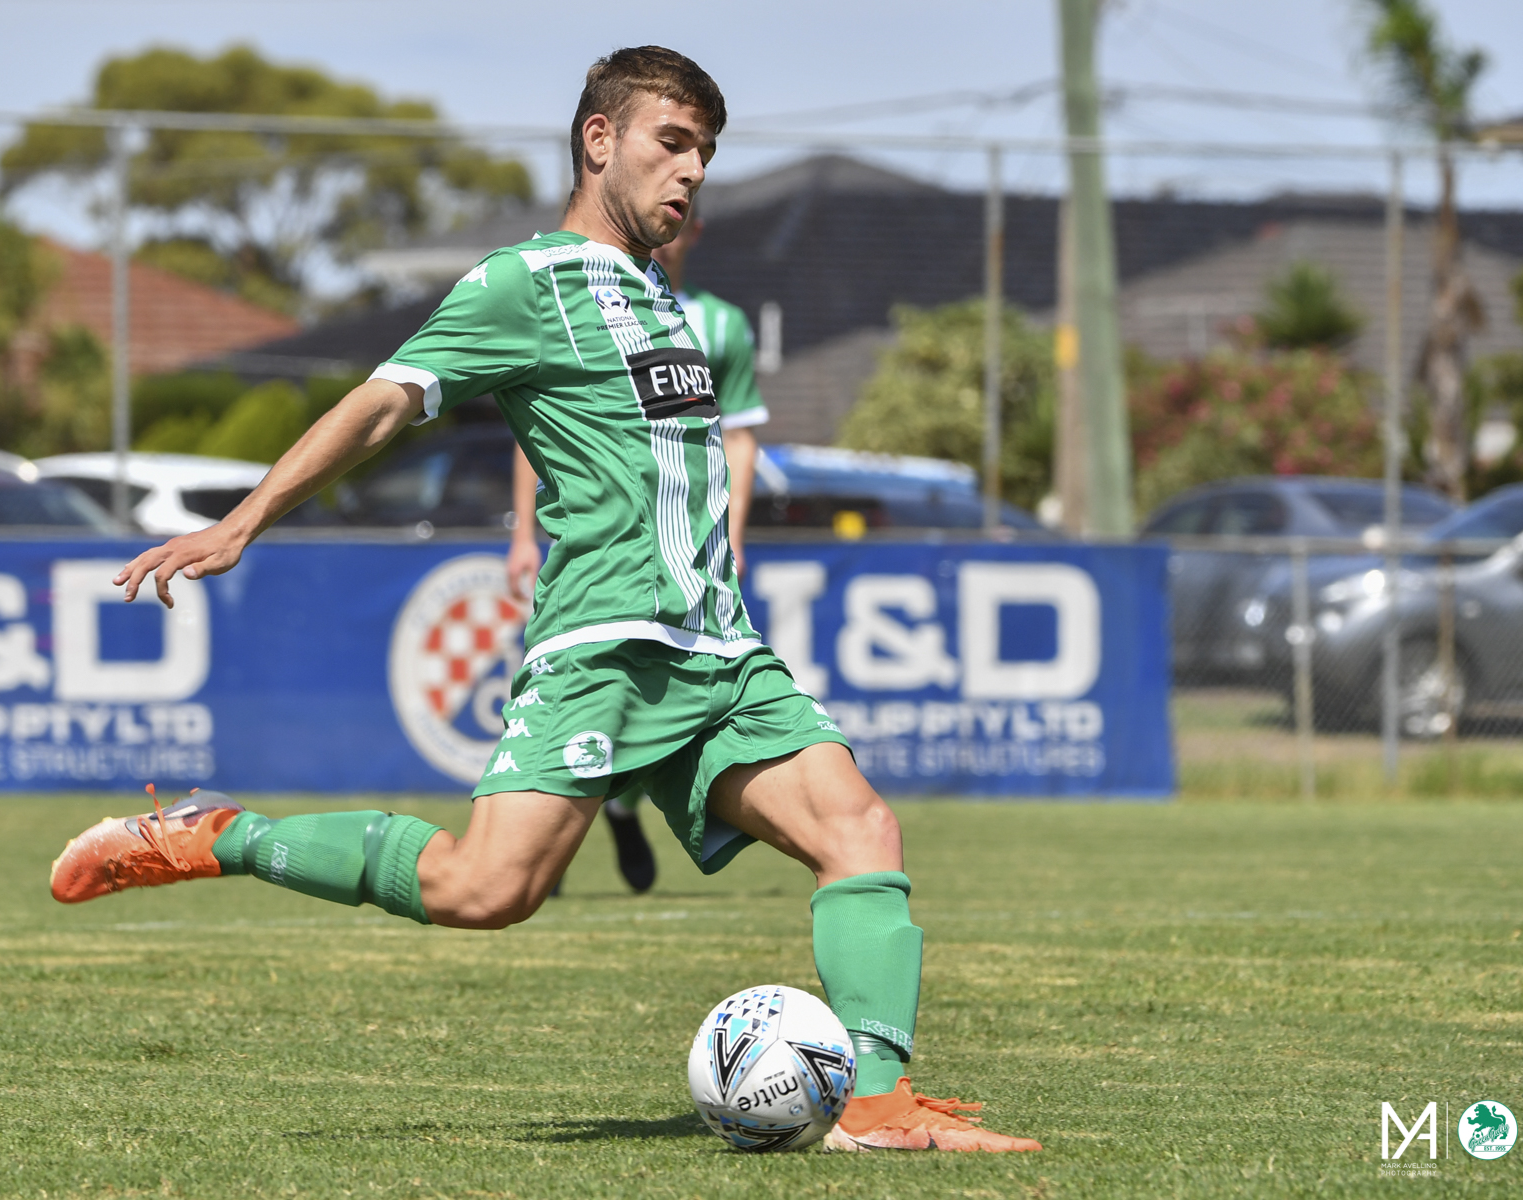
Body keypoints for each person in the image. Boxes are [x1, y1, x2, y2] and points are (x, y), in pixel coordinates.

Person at [50, 46, 1039, 1154]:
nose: (692, 172)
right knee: (487, 890)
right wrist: (241, 522)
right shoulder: (523, 284)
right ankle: (216, 836)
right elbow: (383, 405)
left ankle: (878, 1104)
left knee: (860, 828)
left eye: (706, 153)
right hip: (606, 649)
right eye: (673, 143)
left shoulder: (672, 302)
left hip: (717, 651)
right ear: (598, 140)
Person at [506, 205, 766, 895]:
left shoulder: (720, 324)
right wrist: (523, 535)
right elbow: (530, 422)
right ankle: (550, 822)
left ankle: (613, 807)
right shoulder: (564, 294)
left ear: (698, 232)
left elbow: (737, 438)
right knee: (578, 689)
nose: (672, 214)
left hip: (692, 567)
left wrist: (730, 539)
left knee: (857, 827)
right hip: (596, 559)